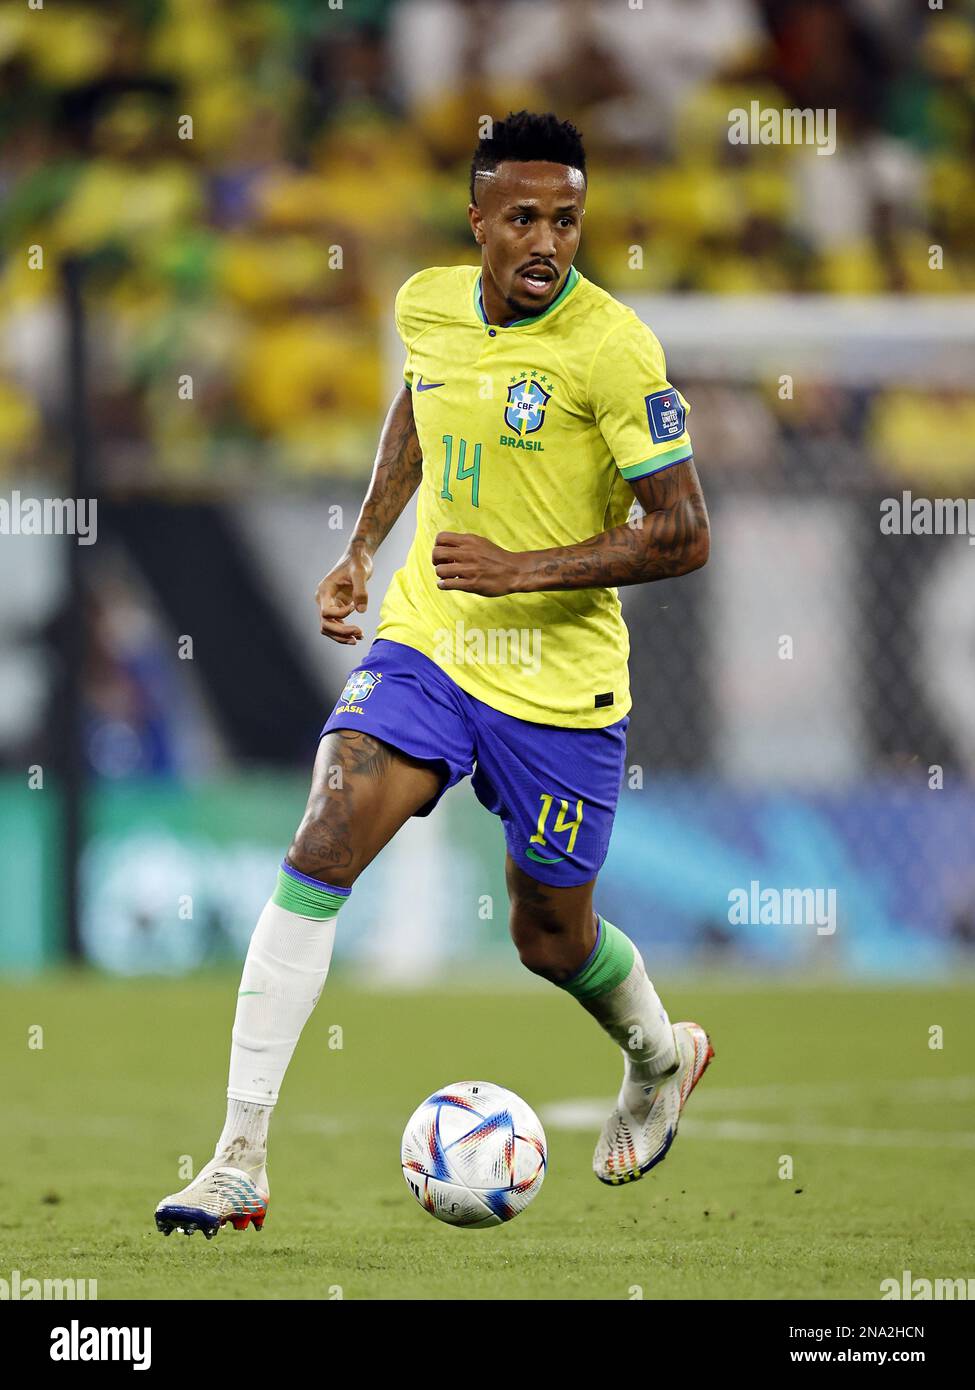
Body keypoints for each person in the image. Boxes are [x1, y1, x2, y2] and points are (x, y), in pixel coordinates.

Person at [155, 110, 713, 1238]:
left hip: (559, 681)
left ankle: (661, 1056)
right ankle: (237, 1159)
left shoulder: (612, 349)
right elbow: (419, 405)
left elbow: (684, 530)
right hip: (431, 642)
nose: (547, 239)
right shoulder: (424, 303)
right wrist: (365, 544)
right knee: (325, 830)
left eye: (566, 218)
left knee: (548, 935)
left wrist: (524, 569)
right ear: (478, 222)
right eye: (523, 217)